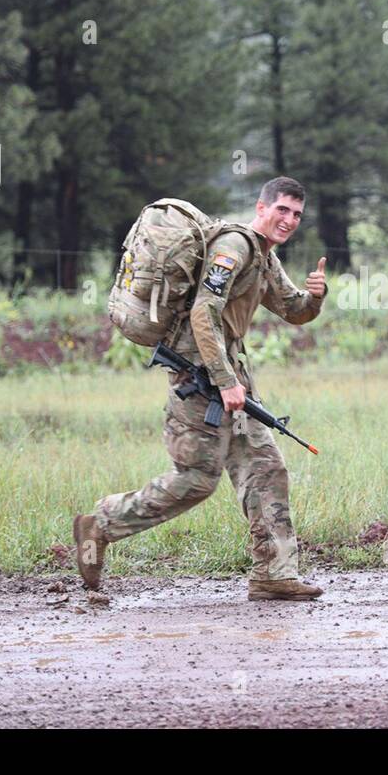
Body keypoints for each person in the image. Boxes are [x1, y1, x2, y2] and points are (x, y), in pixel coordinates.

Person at [73, 176, 328, 601]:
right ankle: (100, 524)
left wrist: (316, 297)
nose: (289, 220)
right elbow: (202, 312)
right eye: (282, 210)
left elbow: (292, 309)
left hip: (230, 375)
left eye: (297, 214)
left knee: (266, 468)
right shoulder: (236, 247)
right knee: (196, 478)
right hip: (198, 377)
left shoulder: (264, 257)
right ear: (262, 208)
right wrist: (225, 381)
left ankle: (274, 574)